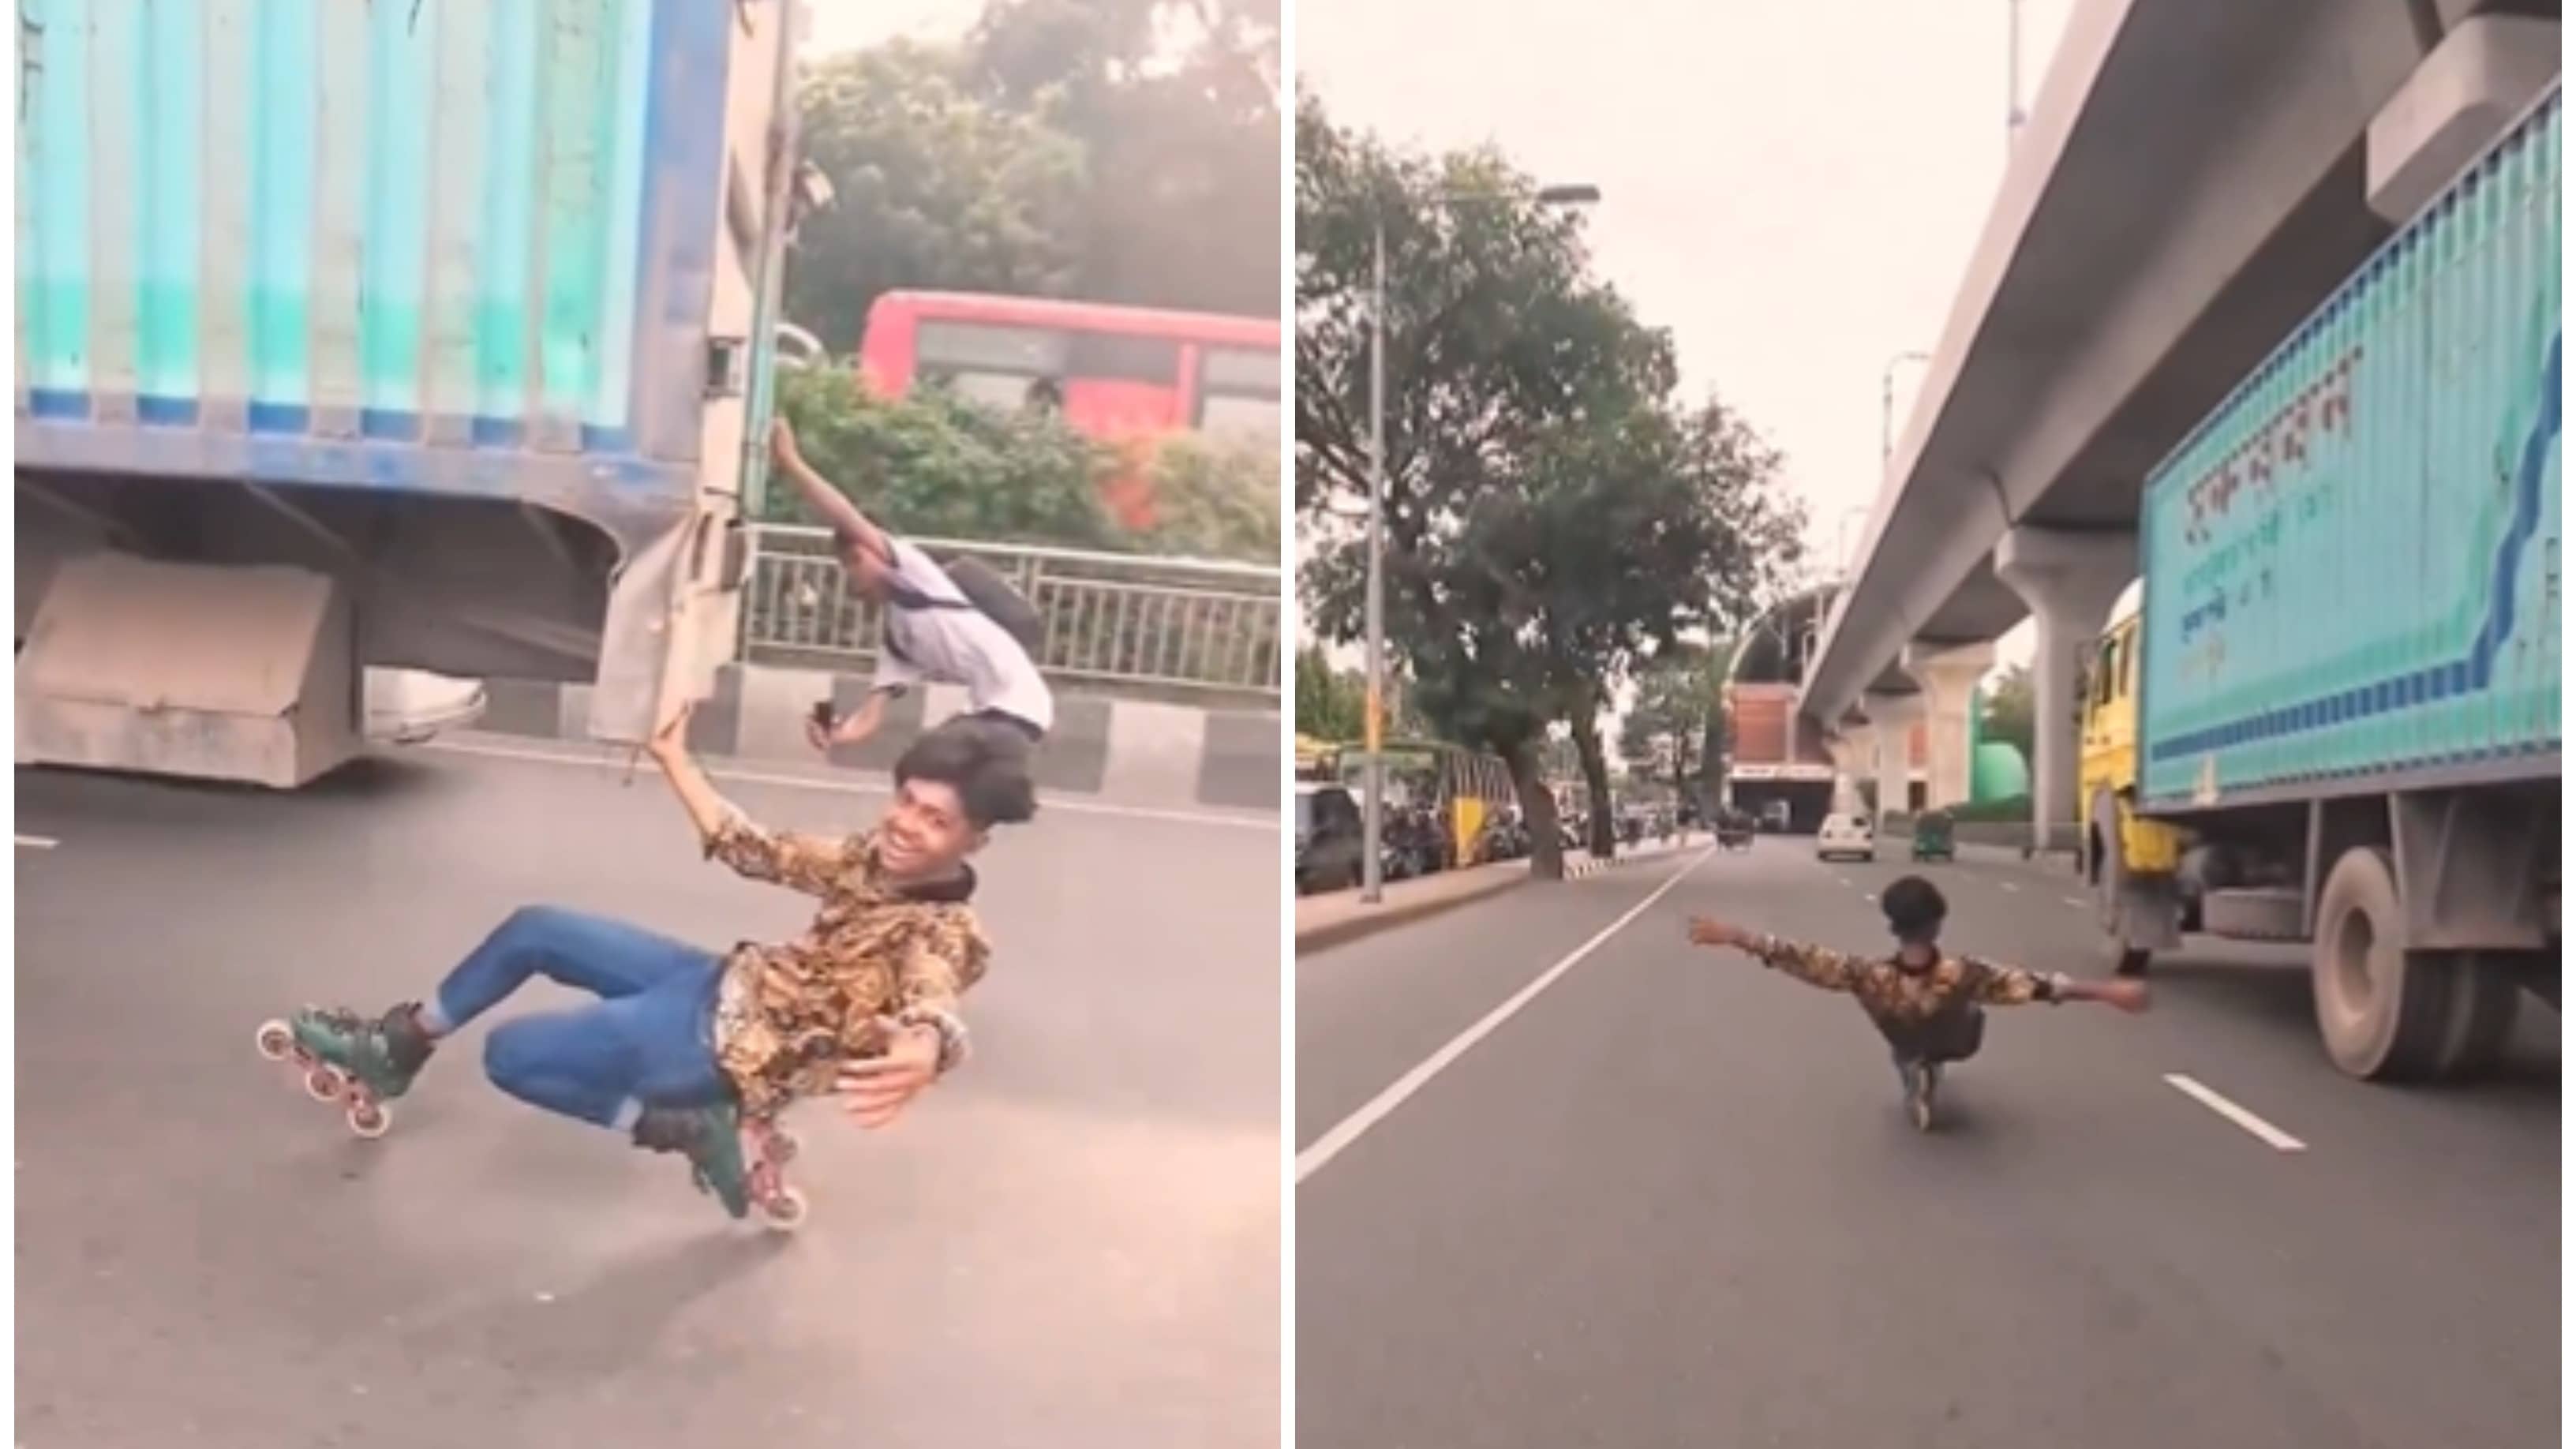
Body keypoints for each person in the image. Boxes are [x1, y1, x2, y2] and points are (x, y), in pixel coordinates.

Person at [271, 710, 1039, 1219]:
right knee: (537, 928)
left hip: (731, 1052)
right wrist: (674, 757)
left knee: (510, 1058)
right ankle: (396, 1048)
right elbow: (755, 849)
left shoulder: (945, 931)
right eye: (905, 800)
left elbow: (934, 1001)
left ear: (976, 840)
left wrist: (927, 1047)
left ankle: (691, 1129)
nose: (905, 825)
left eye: (934, 820)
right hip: (722, 983)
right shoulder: (872, 861)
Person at [1685, 874, 2150, 1131]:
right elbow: (2042, 986)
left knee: (1889, 1019)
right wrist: (2111, 993)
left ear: (1894, 927)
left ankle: (1912, 1067)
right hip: (1957, 1038)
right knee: (1980, 1002)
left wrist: (1735, 936)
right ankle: (1928, 1064)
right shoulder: (1963, 973)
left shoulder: (1869, 976)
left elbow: (1799, 958)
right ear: (1937, 926)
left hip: (1901, 1033)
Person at [769, 419, 1054, 753]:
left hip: (1018, 708)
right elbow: (870, 717)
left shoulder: (918, 575)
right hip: (989, 712)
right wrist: (837, 735)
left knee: (936, 761)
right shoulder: (898, 638)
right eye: (846, 568)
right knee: (927, 768)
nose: (853, 578)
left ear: (877, 550)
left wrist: (792, 463)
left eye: (856, 562)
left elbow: (845, 516)